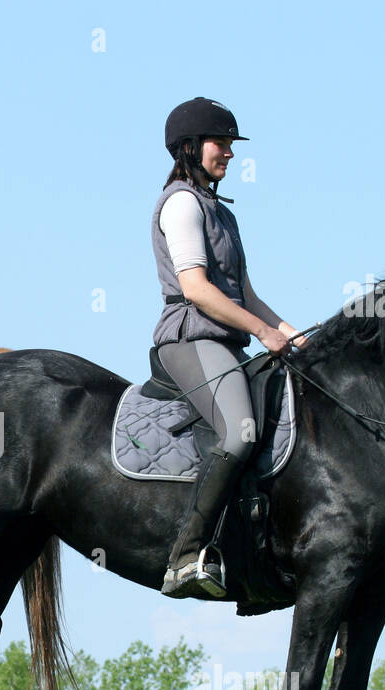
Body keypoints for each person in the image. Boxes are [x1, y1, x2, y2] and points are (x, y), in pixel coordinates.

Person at [151, 98, 303, 598]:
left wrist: (291, 333)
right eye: (222, 143)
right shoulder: (181, 203)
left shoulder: (223, 214)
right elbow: (195, 288)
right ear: (191, 147)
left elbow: (247, 295)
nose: (231, 154)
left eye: (232, 145)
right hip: (190, 337)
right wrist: (262, 333)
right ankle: (186, 555)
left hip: (224, 339)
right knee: (240, 432)